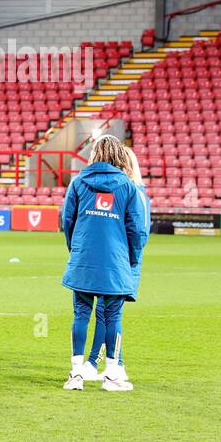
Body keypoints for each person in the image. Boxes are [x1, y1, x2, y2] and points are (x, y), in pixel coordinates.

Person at [61, 135, 147, 392]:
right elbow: (137, 230)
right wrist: (130, 259)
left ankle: (76, 375)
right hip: (114, 262)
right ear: (119, 155)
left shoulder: (78, 182)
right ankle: (112, 375)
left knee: (81, 315)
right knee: (113, 317)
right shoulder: (129, 187)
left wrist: (75, 249)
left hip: (84, 260)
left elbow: (67, 221)